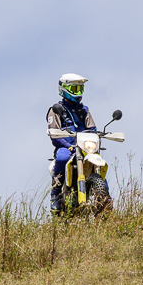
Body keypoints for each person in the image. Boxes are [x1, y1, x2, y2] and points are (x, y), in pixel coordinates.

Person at [46, 73, 100, 214]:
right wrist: (67, 145)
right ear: (64, 89)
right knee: (63, 158)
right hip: (66, 146)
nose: (78, 93)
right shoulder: (56, 110)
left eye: (80, 89)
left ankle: (104, 196)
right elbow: (53, 133)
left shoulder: (84, 110)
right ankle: (56, 193)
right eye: (75, 89)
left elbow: (92, 129)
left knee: (99, 163)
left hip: (85, 147)